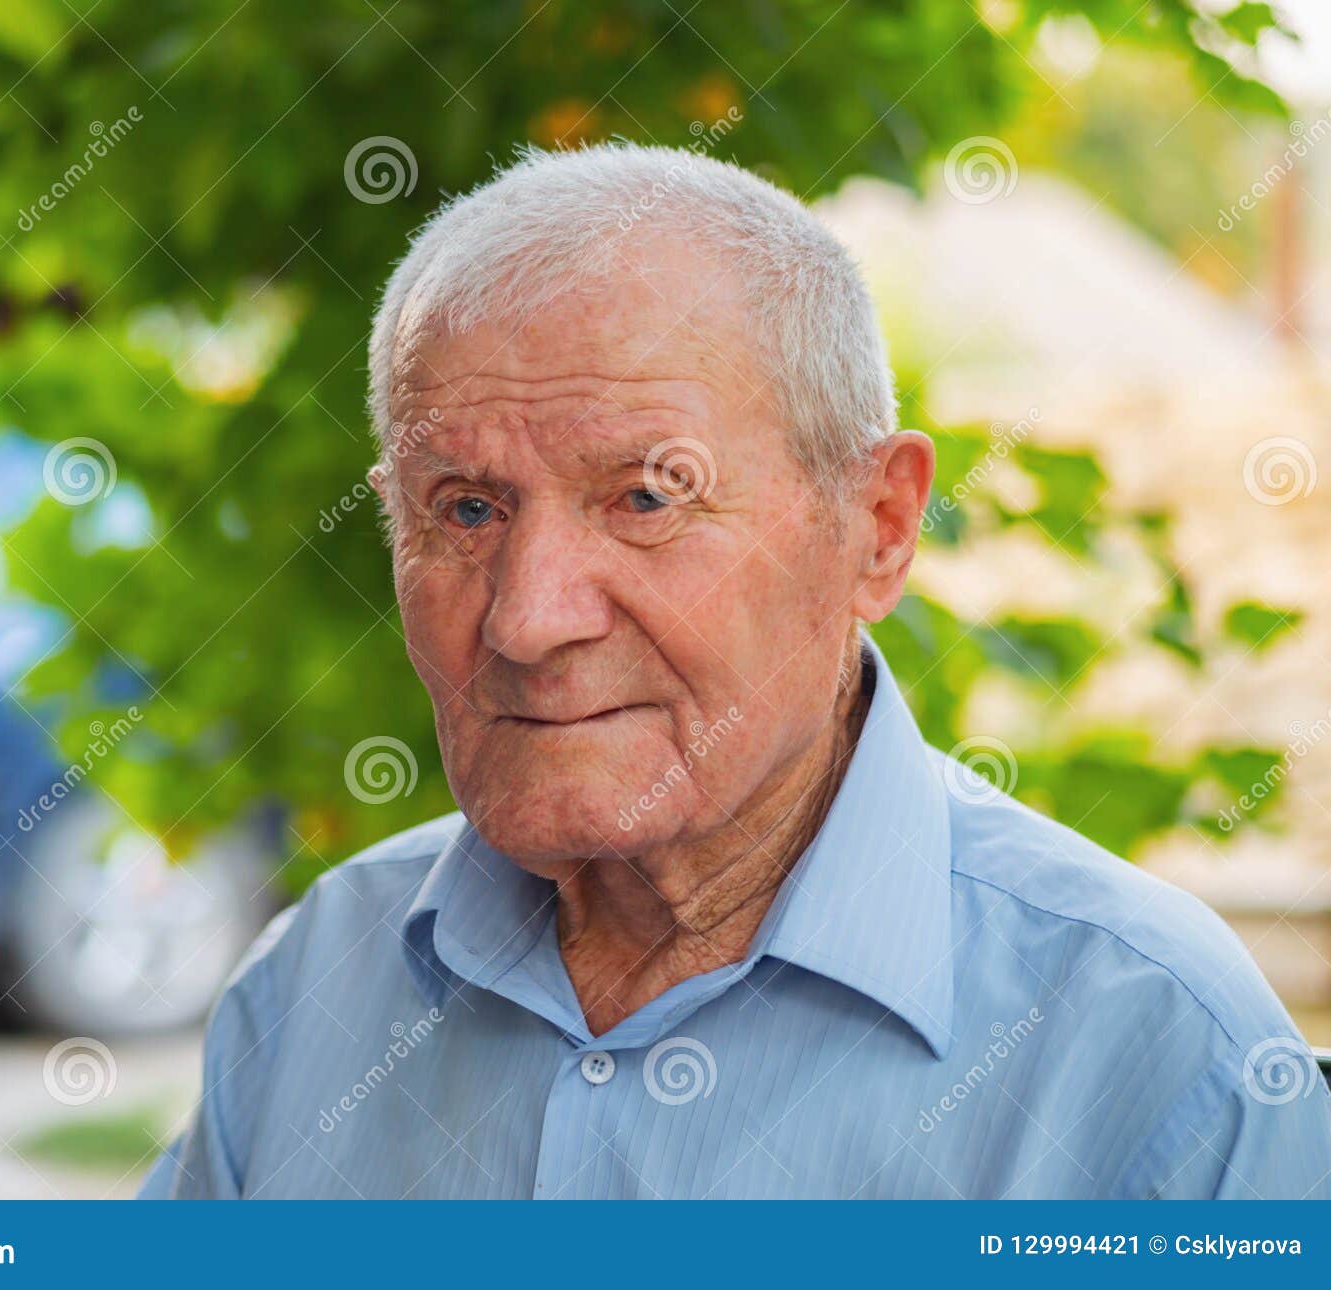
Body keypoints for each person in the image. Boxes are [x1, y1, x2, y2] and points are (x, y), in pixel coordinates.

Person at [140, 144, 1331, 1199]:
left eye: (648, 496)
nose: (528, 617)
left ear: (877, 528)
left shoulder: (1158, 1058)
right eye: (463, 508)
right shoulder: (314, 989)